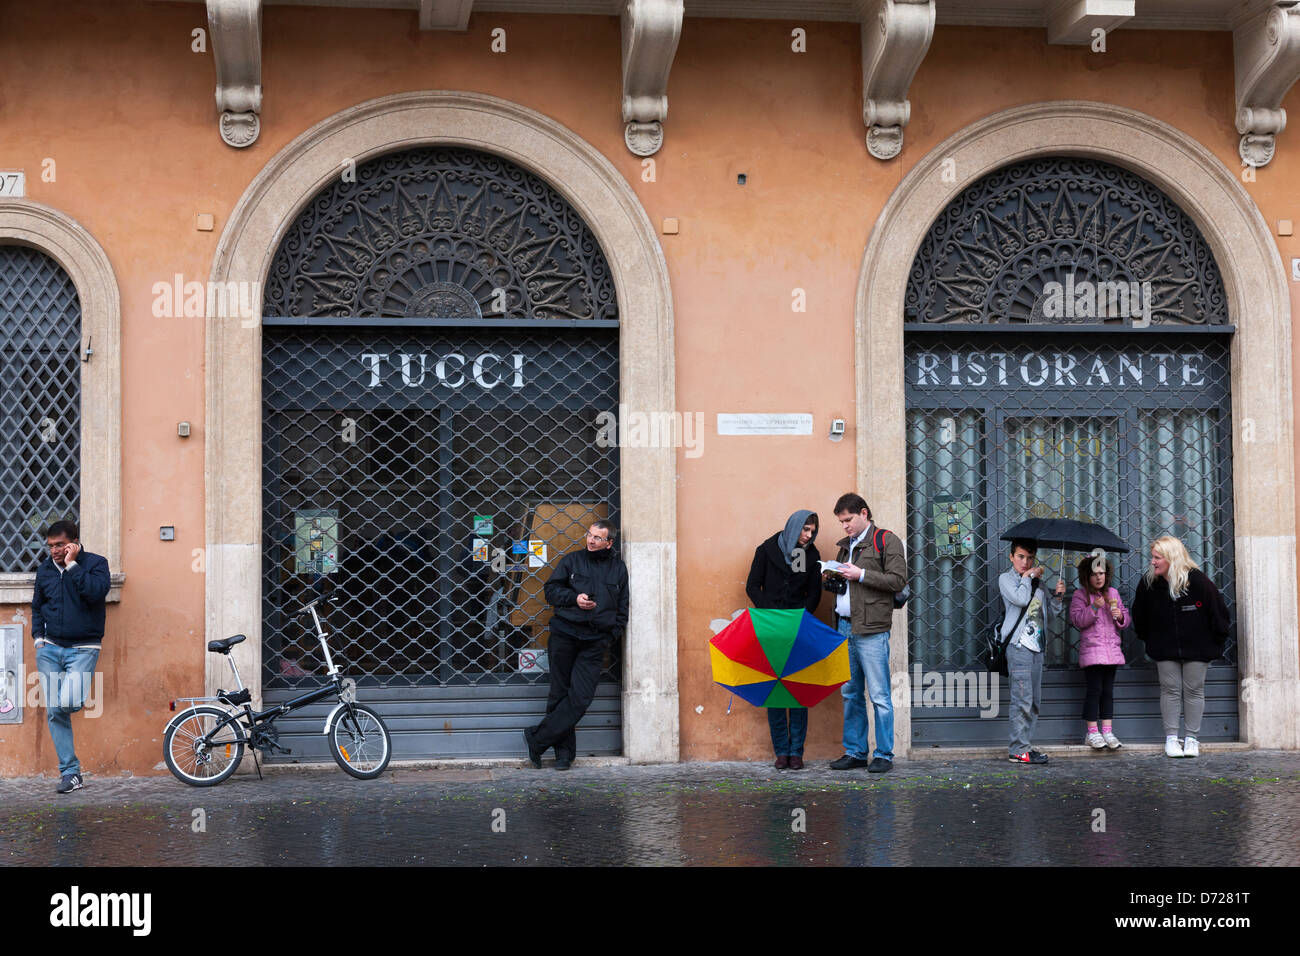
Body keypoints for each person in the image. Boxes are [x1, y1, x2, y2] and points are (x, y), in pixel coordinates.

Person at [524, 519, 628, 770]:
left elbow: (623, 608)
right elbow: (551, 591)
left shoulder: (618, 569)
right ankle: (564, 754)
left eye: (597, 538)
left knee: (580, 697)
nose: (591, 541)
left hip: (595, 640)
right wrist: (574, 598)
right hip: (565, 634)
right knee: (559, 693)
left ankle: (537, 738)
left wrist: (610, 635)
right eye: (589, 535)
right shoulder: (572, 561)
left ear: (609, 543)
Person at [1130, 535, 1230, 758]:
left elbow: (1219, 615)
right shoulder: (1149, 584)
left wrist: (1214, 643)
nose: (1153, 562)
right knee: (1170, 690)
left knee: (1194, 691)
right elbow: (1140, 615)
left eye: (1157, 558)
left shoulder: (1198, 582)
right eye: (1152, 557)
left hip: (1198, 649)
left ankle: (1192, 738)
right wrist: (1151, 639)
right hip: (1165, 649)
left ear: (1171, 558)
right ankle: (1172, 739)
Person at [827, 493, 906, 773]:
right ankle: (856, 752)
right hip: (845, 626)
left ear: (864, 513)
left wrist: (860, 574)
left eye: (848, 520)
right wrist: (834, 577)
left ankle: (884, 753)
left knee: (880, 695)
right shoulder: (845, 547)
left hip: (872, 629)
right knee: (850, 693)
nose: (845, 526)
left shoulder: (887, 540)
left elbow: (898, 580)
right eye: (841, 522)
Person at [31, 520, 111, 793]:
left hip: (84, 648)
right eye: (51, 546)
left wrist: (73, 565)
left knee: (67, 702)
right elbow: (38, 607)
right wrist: (38, 639)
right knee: (55, 712)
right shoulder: (44, 570)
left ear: (74, 543)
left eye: (60, 545)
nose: (54, 551)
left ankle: (70, 771)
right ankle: (71, 773)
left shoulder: (96, 564)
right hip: (50, 648)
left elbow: (96, 593)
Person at [746, 509, 822, 771]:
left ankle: (796, 751)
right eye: (805, 530)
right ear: (794, 527)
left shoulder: (810, 555)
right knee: (777, 691)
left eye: (812, 531)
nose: (808, 536)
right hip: (771, 627)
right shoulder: (767, 550)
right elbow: (752, 586)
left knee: (798, 690)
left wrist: (800, 613)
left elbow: (813, 592)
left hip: (798, 626)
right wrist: (771, 612)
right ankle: (781, 751)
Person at [1000, 539, 1066, 764]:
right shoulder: (1006, 579)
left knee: (1034, 701)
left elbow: (1051, 613)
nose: (1025, 562)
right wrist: (1028, 578)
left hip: (1037, 647)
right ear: (1011, 557)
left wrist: (1057, 596)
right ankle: (1018, 750)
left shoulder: (1038, 583)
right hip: (1019, 647)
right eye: (1021, 557)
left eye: (1030, 558)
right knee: (1022, 700)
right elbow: (1019, 599)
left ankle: (1025, 746)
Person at [1068, 552, 1130, 750]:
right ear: (1087, 576)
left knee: (1108, 692)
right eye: (1094, 574)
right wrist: (1094, 607)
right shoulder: (1081, 595)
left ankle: (1108, 731)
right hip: (1093, 652)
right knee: (1094, 691)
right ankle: (1092, 732)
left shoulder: (1113, 593)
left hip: (1111, 651)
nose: (1098, 577)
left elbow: (1125, 620)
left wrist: (1119, 615)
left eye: (1102, 573)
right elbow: (1077, 620)